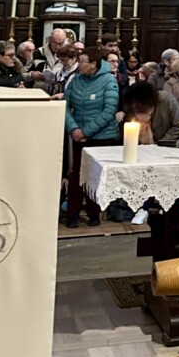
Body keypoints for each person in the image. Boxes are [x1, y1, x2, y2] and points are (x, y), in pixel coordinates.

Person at [64, 44, 120, 228]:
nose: (79, 65)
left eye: (82, 62)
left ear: (93, 63)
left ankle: (94, 213)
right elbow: (65, 106)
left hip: (101, 137)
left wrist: (86, 131)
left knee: (95, 177)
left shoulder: (109, 81)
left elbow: (109, 110)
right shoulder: (76, 80)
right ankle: (72, 214)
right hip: (79, 136)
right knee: (76, 176)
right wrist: (74, 129)